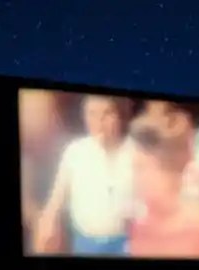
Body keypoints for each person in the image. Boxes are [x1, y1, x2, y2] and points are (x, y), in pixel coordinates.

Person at [34, 95, 136, 256]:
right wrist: (47, 226)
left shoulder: (137, 151)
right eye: (92, 114)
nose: (99, 121)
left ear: (120, 116)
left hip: (128, 244)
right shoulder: (75, 151)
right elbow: (55, 200)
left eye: (107, 113)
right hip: (86, 246)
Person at [127, 122, 199, 258]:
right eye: (135, 169)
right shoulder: (139, 228)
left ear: (172, 173)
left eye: (141, 169)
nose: (135, 179)